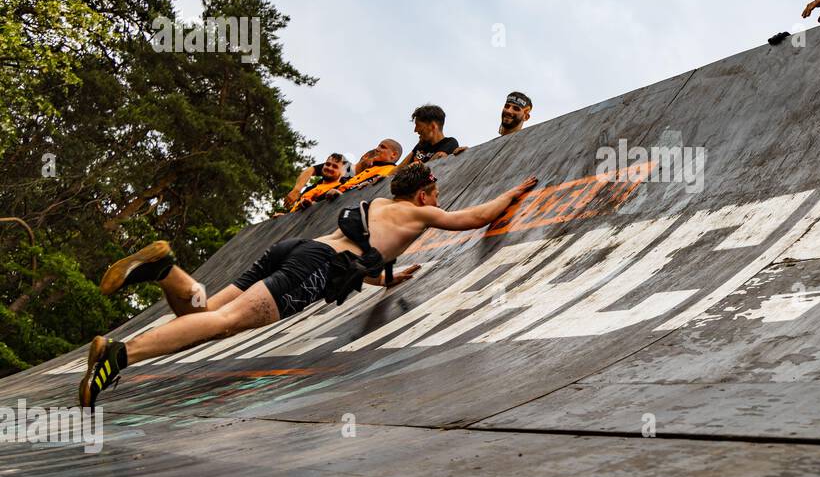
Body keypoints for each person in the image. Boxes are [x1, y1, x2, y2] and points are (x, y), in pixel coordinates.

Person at [80, 164, 540, 408]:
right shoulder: (420, 212)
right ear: (423, 194)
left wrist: (385, 278)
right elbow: (476, 218)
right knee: (223, 325)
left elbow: (361, 251)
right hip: (314, 266)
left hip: (296, 248)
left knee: (197, 316)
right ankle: (118, 357)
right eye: (435, 197)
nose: (437, 205)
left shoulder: (379, 203)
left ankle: (167, 271)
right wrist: (514, 193)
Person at [284, 153, 354, 208]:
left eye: (335, 166)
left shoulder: (339, 189)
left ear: (343, 172)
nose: (329, 168)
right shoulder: (309, 189)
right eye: (327, 164)